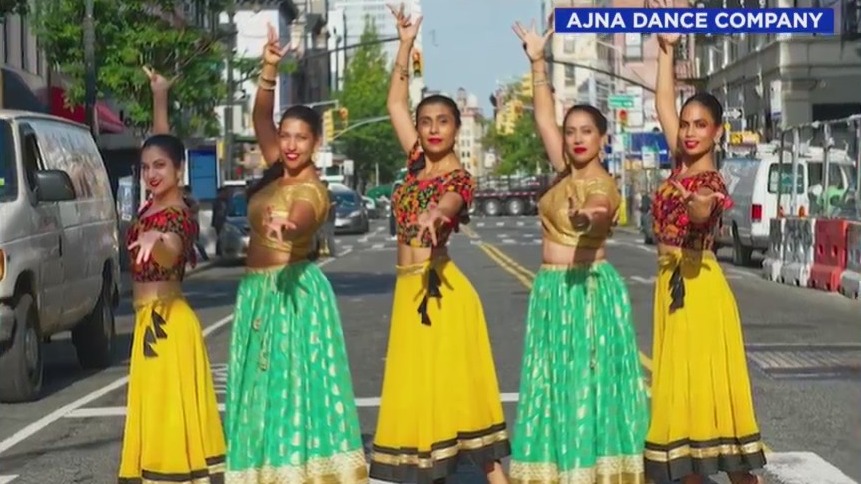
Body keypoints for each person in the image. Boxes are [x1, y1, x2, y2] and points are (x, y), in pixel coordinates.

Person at [368, 6, 510, 484]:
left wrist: (435, 213)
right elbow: (393, 105)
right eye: (425, 120)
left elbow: (449, 202)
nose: (431, 128)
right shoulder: (414, 162)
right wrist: (406, 44)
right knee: (423, 401)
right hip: (409, 292)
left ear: (456, 129)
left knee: (459, 401)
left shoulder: (458, 176)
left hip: (441, 294)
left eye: (442, 121)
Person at [223, 24, 367, 483]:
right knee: (258, 388)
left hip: (293, 296)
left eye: (301, 138)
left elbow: (305, 214)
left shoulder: (313, 188)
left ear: (316, 144)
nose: (289, 144)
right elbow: (260, 119)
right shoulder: (274, 169)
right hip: (256, 293)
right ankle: (263, 468)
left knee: (291, 388)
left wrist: (290, 224)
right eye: (286, 136)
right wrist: (269, 68)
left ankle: (297, 472)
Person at [506, 21, 649, 484]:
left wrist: (590, 216)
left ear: (604, 137)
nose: (576, 138)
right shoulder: (563, 171)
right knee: (555, 384)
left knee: (586, 383)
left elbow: (602, 207)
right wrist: (537, 62)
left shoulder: (600, 181)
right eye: (572, 132)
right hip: (551, 291)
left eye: (587, 131)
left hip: (586, 292)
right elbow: (544, 118)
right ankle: (562, 467)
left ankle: (592, 472)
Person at [644, 2, 766, 483]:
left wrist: (701, 207)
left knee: (709, 413)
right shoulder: (679, 164)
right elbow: (661, 104)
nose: (690, 132)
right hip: (670, 293)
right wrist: (667, 52)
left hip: (699, 293)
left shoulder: (711, 181)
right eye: (687, 124)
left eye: (701, 125)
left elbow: (705, 208)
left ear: (718, 131)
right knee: (687, 431)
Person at [118, 66, 225, 483]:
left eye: (160, 167)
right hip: (150, 322)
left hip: (168, 324)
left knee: (169, 427)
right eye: (146, 168)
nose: (151, 174)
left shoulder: (177, 212)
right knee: (158, 420)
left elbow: (174, 246)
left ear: (179, 170)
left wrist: (157, 241)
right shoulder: (154, 202)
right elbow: (161, 143)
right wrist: (159, 96)